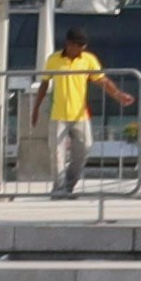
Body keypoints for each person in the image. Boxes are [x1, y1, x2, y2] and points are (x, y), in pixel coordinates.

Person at [36, 28, 103, 198]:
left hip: (80, 114)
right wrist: (36, 107)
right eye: (78, 45)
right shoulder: (53, 60)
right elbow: (44, 83)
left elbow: (101, 80)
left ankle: (69, 184)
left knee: (84, 148)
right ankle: (58, 189)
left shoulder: (88, 59)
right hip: (59, 114)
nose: (81, 49)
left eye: (83, 46)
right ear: (69, 44)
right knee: (57, 153)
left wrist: (117, 93)